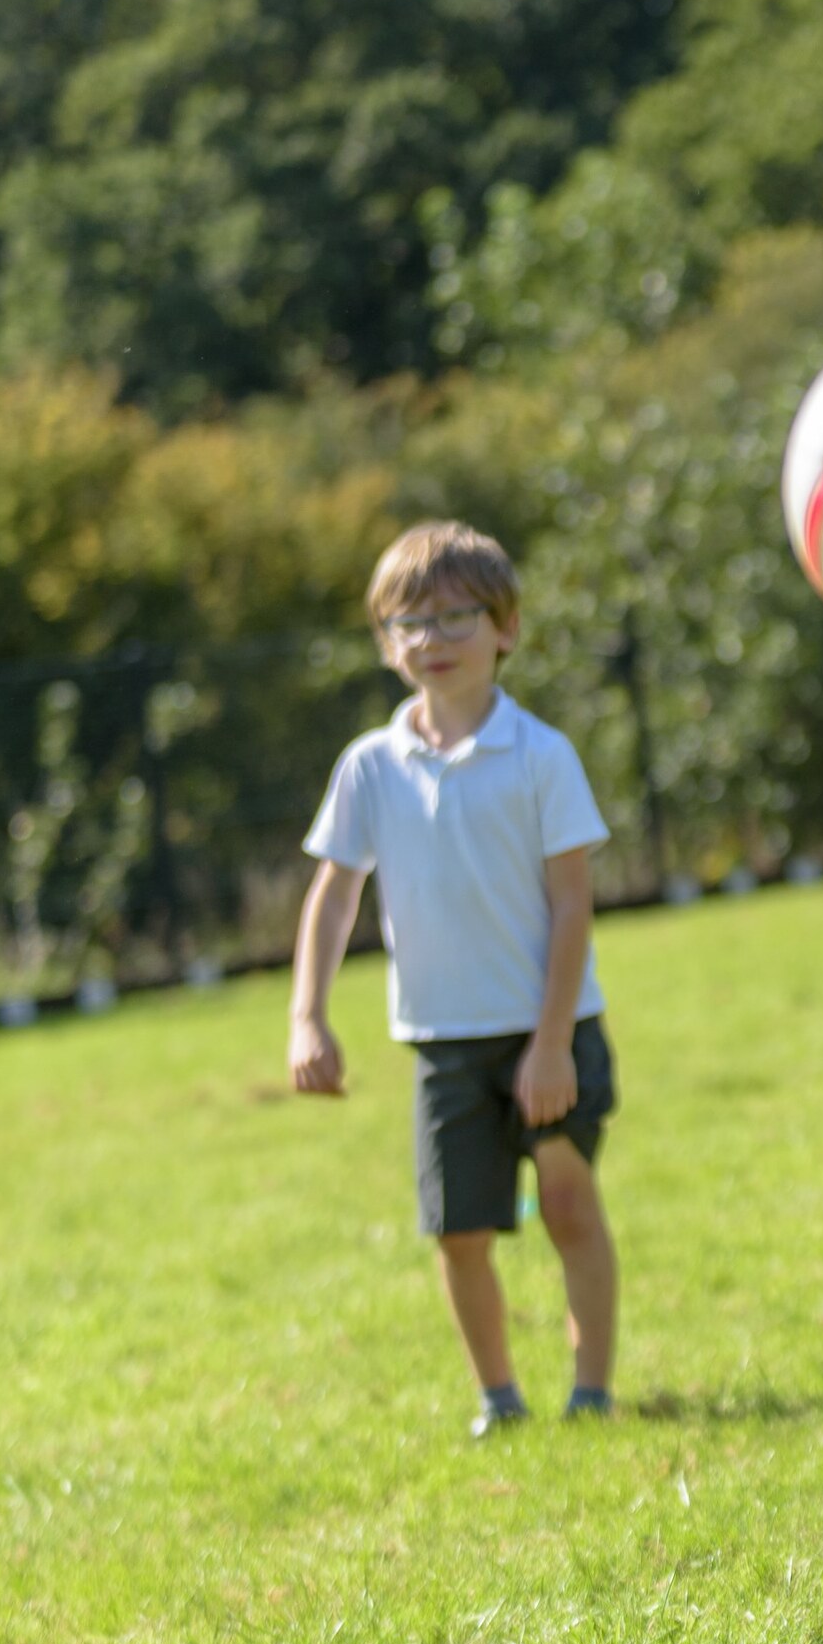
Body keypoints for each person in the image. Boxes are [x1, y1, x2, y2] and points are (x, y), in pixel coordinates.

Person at [287, 521, 619, 1435]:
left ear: (506, 628)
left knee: (566, 1206)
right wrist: (307, 1016)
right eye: (409, 623)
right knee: (458, 1232)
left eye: (455, 617)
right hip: (442, 1041)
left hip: (550, 1032)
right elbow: (333, 897)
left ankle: (591, 1393)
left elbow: (572, 906)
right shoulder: (369, 767)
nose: (431, 640)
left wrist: (550, 1043)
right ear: (385, 643)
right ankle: (498, 1401)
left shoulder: (541, 756)